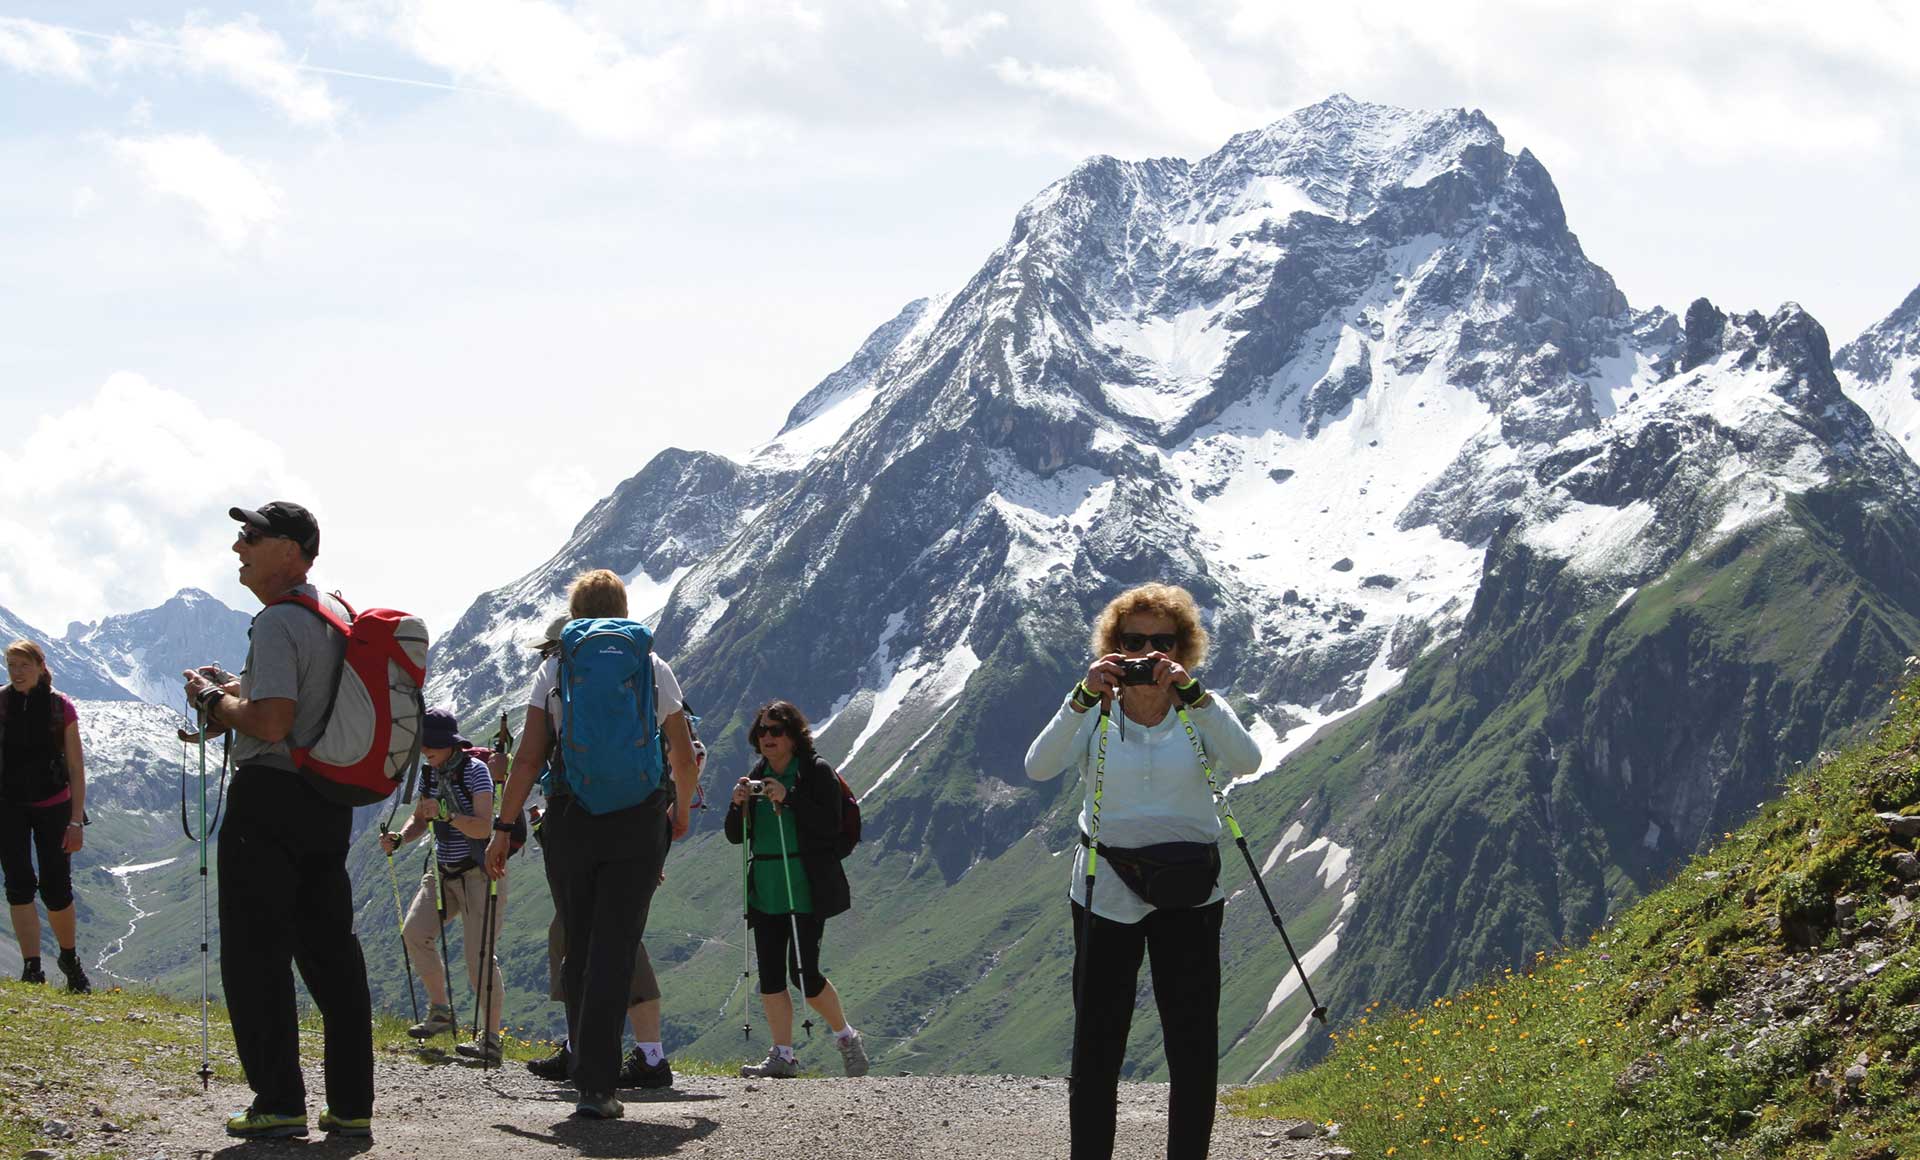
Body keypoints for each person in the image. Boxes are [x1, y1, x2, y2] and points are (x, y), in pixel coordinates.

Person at [1024, 582, 1263, 1160]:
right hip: (1108, 886)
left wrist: (1196, 696)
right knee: (1097, 1041)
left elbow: (1248, 760)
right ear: (1114, 645)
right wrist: (1082, 696)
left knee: (1192, 1041)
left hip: (1189, 890)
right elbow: (1039, 766)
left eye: (1163, 642)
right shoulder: (1094, 708)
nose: (1148, 653)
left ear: (1184, 647)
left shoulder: (1200, 706)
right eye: (1134, 641)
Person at [181, 501, 372, 1141]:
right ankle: (352, 1105)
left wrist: (214, 700)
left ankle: (280, 1101)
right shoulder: (334, 616)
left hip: (267, 798)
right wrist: (237, 692)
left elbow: (270, 722)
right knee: (330, 951)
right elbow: (302, 703)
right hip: (327, 797)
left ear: (290, 551)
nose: (239, 547)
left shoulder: (276, 621)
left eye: (252, 537)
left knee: (255, 952)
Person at [484, 569, 700, 1120]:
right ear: (624, 611)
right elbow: (682, 755)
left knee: (578, 944)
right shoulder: (652, 666)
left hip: (571, 818)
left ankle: (588, 1079)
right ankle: (601, 1086)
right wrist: (679, 812)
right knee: (616, 944)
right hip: (639, 820)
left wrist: (504, 828)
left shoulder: (556, 668)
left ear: (575, 616)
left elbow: (528, 759)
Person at [724, 700, 869, 1079]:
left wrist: (789, 799)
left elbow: (829, 825)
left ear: (793, 735)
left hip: (805, 888)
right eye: (762, 730)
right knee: (771, 976)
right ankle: (782, 1055)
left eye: (776, 730)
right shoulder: (757, 774)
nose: (767, 737)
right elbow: (735, 836)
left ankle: (846, 1037)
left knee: (805, 975)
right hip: (767, 888)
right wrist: (737, 805)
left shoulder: (816, 771)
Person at [380, 708, 507, 1062]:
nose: (426, 751)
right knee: (414, 933)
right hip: (443, 871)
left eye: (432, 745)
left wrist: (447, 814)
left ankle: (491, 1040)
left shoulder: (476, 772)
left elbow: (484, 827)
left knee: (478, 957)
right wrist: (400, 838)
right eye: (424, 745)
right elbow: (421, 819)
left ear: (451, 744)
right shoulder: (429, 773)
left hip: (480, 873)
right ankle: (440, 1011)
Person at [1, 639, 90, 993]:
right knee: (18, 885)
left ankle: (69, 960)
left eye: (24, 665)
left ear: (40, 667)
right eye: (11, 666)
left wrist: (75, 822)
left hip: (54, 806)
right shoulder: (2, 703)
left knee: (56, 888)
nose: (17, 672)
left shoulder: (60, 708)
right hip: (8, 806)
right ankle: (32, 969)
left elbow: (76, 768)